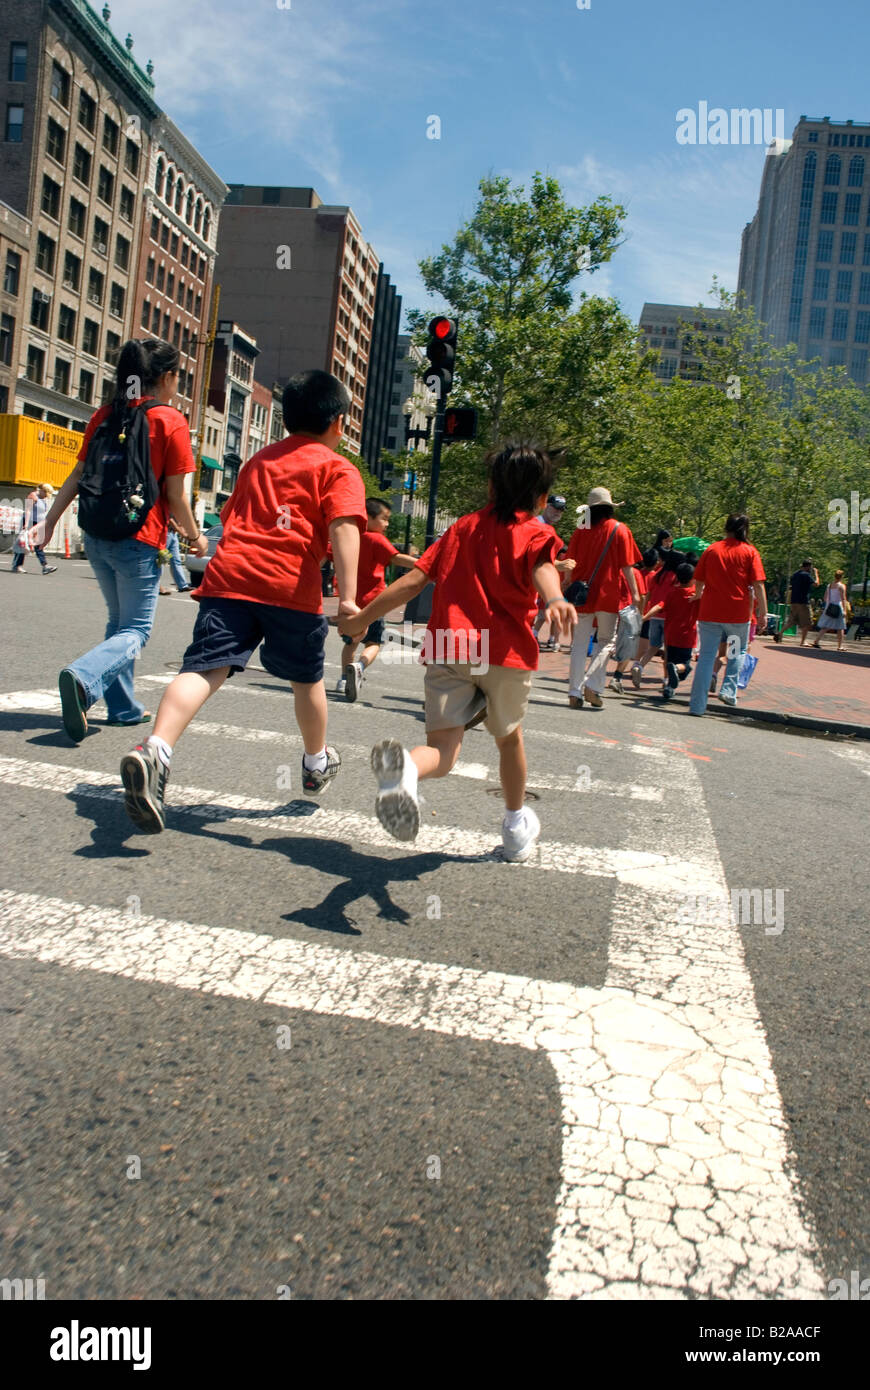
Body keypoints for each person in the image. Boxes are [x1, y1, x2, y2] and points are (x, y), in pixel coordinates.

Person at [119, 369, 366, 833]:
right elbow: (345, 528)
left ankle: (156, 749)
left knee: (203, 668)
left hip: (230, 577)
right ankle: (316, 762)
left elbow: (234, 517)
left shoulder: (259, 461)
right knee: (306, 678)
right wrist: (349, 599)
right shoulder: (338, 468)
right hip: (291, 586)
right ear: (338, 423)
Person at [338, 442, 577, 862]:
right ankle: (515, 824)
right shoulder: (539, 532)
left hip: (452, 644)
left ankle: (408, 772)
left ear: (489, 487)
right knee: (508, 740)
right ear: (541, 499)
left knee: (443, 751)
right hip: (504, 652)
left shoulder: (462, 528)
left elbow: (413, 582)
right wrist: (555, 598)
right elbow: (542, 567)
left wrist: (360, 620)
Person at [37, 339, 208, 740]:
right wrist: (197, 538)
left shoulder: (104, 415)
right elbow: (175, 496)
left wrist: (48, 523)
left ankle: (123, 707)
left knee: (118, 623)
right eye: (176, 377)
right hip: (139, 537)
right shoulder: (170, 420)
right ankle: (82, 679)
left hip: (96, 533)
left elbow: (77, 477)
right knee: (136, 630)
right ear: (166, 377)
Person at [564, 488, 642, 709]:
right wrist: (635, 594)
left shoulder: (581, 529)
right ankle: (592, 686)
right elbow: (627, 566)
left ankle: (574, 691)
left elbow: (570, 560)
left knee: (579, 644)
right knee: (606, 641)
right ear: (610, 507)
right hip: (607, 593)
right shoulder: (620, 530)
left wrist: (568, 580)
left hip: (581, 594)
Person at [338, 497, 418, 700]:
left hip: (351, 601)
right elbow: (396, 558)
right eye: (384, 518)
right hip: (373, 604)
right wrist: (423, 564)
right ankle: (360, 666)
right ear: (369, 517)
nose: (387, 524)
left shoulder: (352, 536)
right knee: (373, 643)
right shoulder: (377, 539)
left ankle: (343, 679)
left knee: (350, 644)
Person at [688, 514, 767, 715]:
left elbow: (698, 580)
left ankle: (697, 706)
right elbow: (758, 585)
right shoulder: (750, 552)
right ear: (745, 530)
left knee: (706, 657)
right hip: (737, 613)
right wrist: (763, 613)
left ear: (726, 528)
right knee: (736, 652)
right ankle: (728, 690)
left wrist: (697, 595)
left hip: (710, 611)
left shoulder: (712, 549)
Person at [644, 561, 698, 700]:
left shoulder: (672, 593)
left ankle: (668, 688)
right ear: (692, 578)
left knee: (670, 662)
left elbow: (658, 607)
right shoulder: (695, 596)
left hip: (670, 636)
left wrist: (644, 617)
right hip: (687, 637)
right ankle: (675, 671)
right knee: (685, 666)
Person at [629, 552, 677, 688]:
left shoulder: (657, 575)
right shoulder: (675, 577)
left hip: (654, 615)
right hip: (668, 616)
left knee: (653, 647)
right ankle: (666, 679)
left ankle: (639, 665)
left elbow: (648, 595)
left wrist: (644, 613)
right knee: (668, 650)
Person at [11, 483, 58, 574]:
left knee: (38, 544)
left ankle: (45, 566)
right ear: (42, 491)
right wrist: (26, 525)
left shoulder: (42, 499)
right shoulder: (32, 496)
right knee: (23, 545)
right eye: (46, 494)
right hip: (29, 523)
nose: (46, 497)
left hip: (37, 525)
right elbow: (28, 510)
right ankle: (17, 565)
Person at [774, 559, 818, 646]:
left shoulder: (795, 574)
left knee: (792, 620)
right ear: (808, 567)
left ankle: (780, 633)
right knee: (807, 622)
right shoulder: (806, 575)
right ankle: (803, 641)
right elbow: (816, 584)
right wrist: (816, 573)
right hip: (803, 602)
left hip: (794, 601)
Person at [812, 570, 849, 651]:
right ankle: (840, 646)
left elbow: (825, 598)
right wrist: (845, 610)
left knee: (826, 626)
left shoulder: (829, 586)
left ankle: (817, 641)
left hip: (829, 607)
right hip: (838, 608)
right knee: (840, 627)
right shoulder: (841, 586)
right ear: (841, 577)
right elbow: (843, 599)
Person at [159, 526, 193, 594]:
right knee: (162, 559)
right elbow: (170, 519)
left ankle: (182, 585)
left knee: (176, 560)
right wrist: (179, 530)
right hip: (166, 531)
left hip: (173, 534)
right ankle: (157, 586)